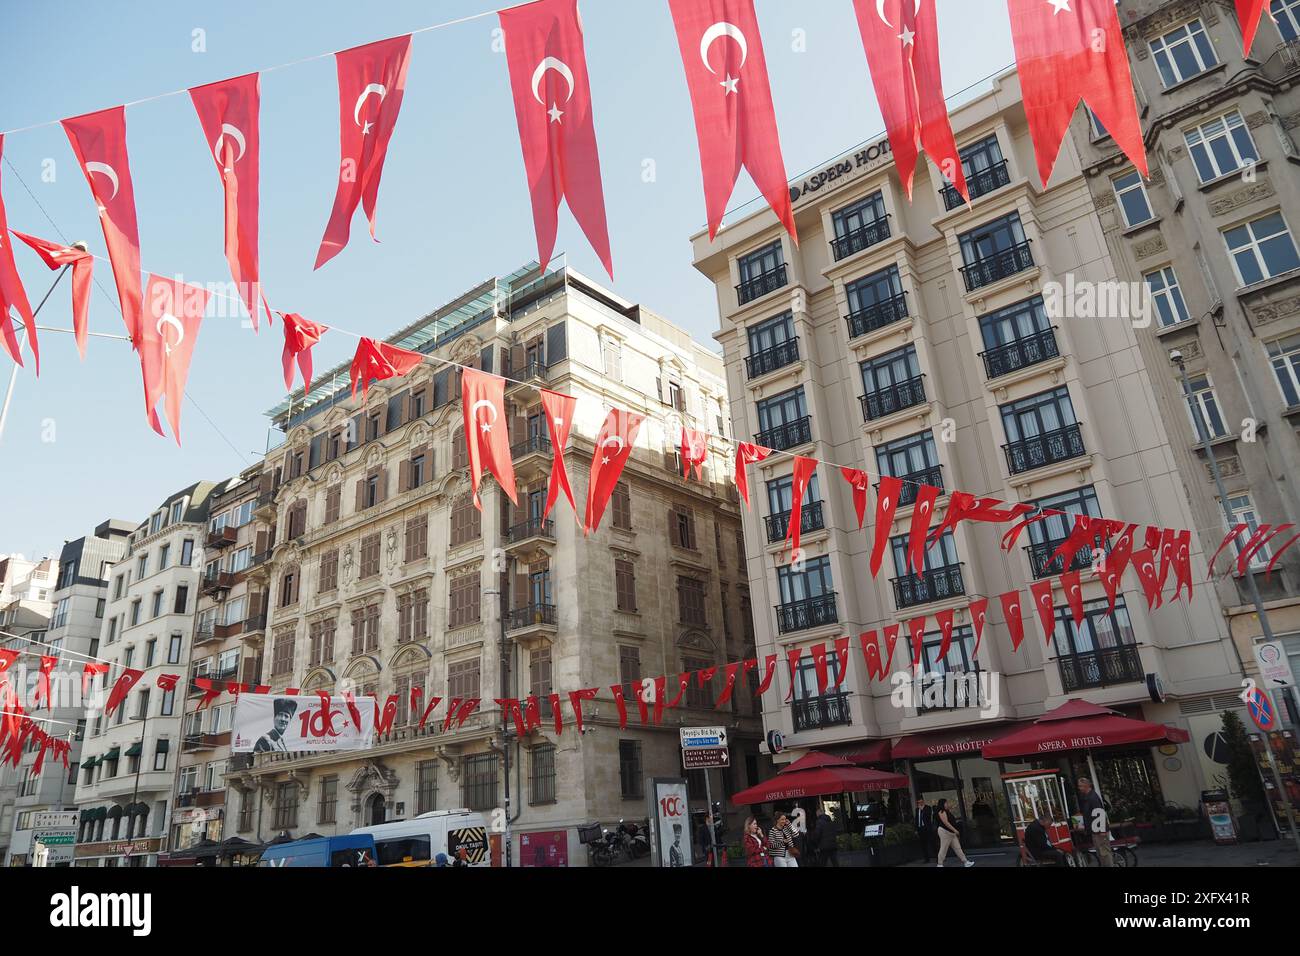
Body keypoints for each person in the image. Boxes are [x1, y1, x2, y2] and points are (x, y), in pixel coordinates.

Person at [1077, 777, 1114, 867]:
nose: (1079, 788)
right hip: (1095, 829)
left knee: (1104, 852)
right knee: (1101, 853)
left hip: (1099, 830)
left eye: (1081, 786)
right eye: (1079, 786)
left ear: (1087, 785)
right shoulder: (1088, 797)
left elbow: (1099, 812)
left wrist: (1102, 830)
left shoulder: (1092, 797)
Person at [935, 798, 975, 867]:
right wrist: (955, 830)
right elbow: (946, 823)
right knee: (943, 848)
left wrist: (954, 830)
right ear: (942, 804)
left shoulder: (947, 811)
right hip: (945, 832)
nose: (947, 804)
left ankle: (965, 862)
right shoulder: (942, 812)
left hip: (951, 833)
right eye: (946, 803)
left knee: (958, 848)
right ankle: (939, 864)